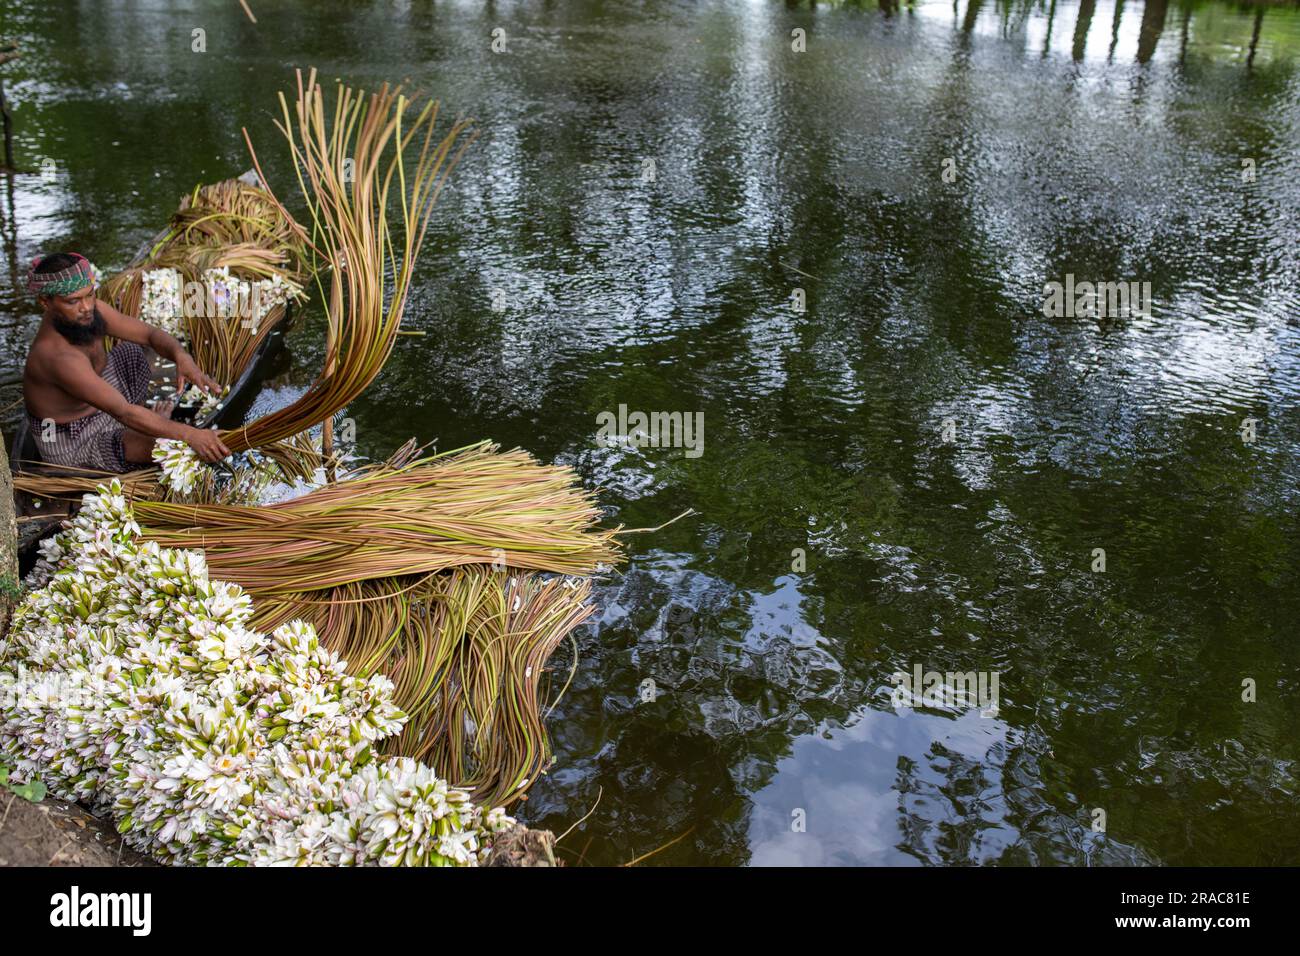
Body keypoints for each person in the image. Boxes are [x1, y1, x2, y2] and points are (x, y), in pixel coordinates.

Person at [21, 251, 231, 472]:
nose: (86, 307)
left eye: (89, 294)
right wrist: (191, 434)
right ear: (45, 302)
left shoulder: (90, 311)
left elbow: (150, 335)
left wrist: (182, 357)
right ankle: (144, 426)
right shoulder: (56, 356)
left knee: (130, 352)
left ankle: (147, 422)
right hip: (72, 439)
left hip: (105, 405)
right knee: (164, 446)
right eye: (72, 301)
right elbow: (124, 412)